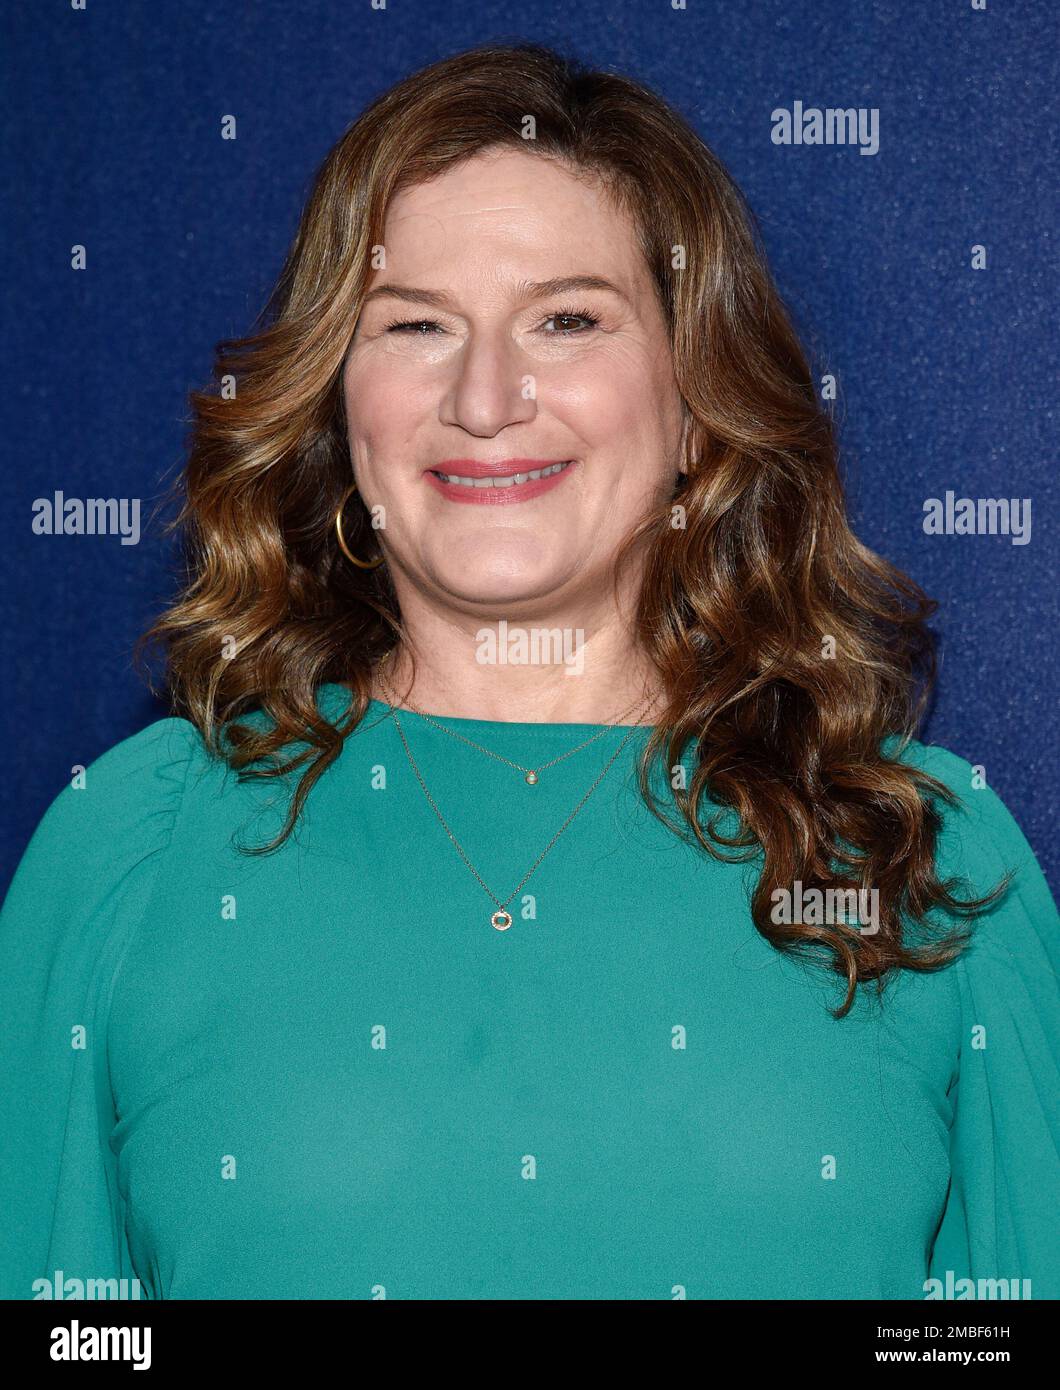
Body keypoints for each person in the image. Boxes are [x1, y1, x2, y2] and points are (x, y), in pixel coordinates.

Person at [1, 42, 1056, 1302]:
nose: (487, 397)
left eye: (567, 319)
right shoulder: (131, 849)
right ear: (339, 407)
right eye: (415, 325)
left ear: (694, 404)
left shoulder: (920, 867)